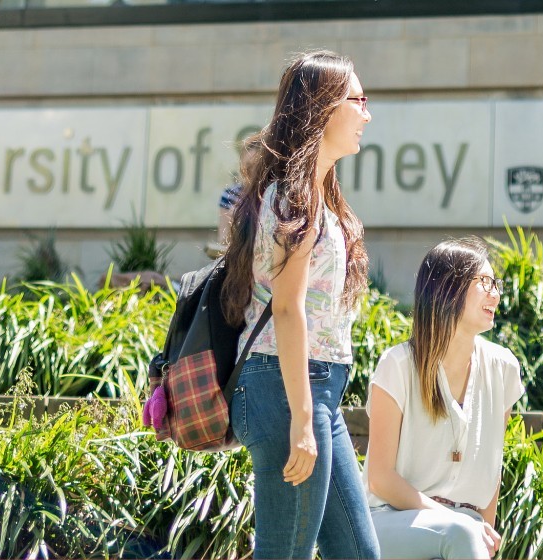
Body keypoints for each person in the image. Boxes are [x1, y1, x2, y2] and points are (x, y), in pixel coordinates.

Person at [220, 50, 378, 559]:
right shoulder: (296, 197)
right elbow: (287, 310)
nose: (367, 114)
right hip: (286, 389)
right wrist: (303, 422)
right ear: (325, 107)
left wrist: (312, 413)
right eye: (358, 100)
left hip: (313, 392)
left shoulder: (316, 192)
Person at [363, 237, 523, 559]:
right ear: (448, 288)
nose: (496, 293)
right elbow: (380, 479)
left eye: (497, 283)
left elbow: (493, 465)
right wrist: (455, 521)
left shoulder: (503, 368)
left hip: (466, 530)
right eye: (485, 282)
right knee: (461, 531)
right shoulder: (399, 365)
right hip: (391, 521)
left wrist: (485, 532)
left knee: (464, 533)